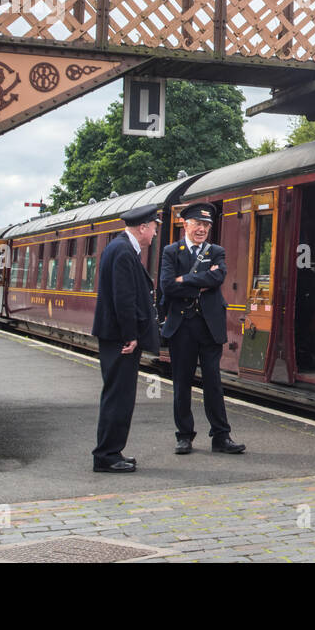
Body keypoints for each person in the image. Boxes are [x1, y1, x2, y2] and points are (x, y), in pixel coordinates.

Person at [159, 202, 245, 454]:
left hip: (209, 326)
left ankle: (221, 436)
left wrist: (184, 279)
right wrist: (200, 281)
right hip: (182, 327)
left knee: (214, 383)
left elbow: (218, 278)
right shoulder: (171, 252)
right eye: (197, 224)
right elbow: (167, 286)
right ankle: (184, 435)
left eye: (206, 225)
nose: (202, 229)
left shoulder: (216, 251)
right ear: (185, 224)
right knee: (182, 383)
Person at [91, 204, 161, 473]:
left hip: (115, 336)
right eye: (154, 228)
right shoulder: (123, 252)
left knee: (119, 395)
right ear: (142, 227)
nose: (154, 234)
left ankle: (112, 450)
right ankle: (107, 455)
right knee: (118, 396)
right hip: (120, 338)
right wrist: (130, 335)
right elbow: (124, 298)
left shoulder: (118, 248)